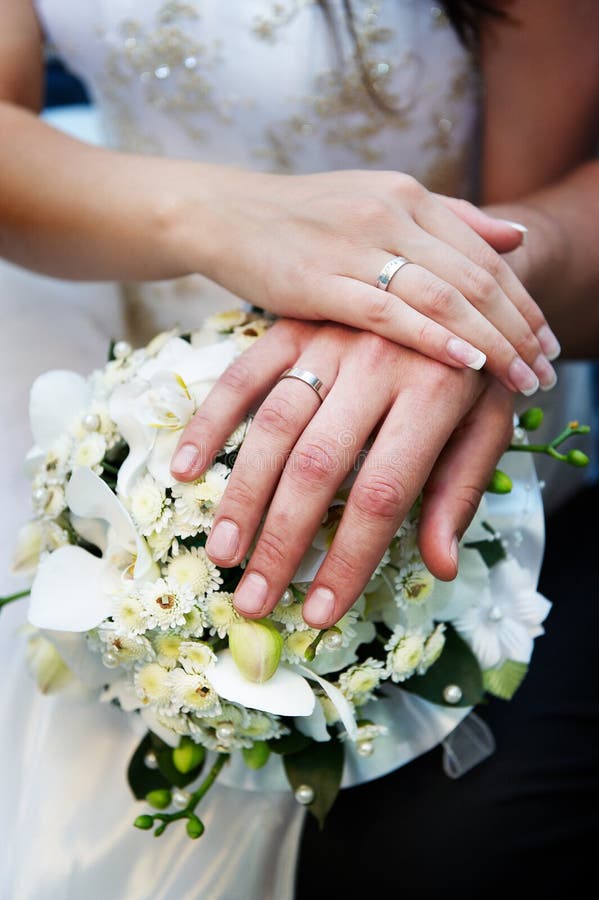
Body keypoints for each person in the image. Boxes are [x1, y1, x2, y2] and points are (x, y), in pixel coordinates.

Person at [0, 1, 597, 898]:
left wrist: (462, 291)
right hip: (129, 332)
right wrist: (219, 217)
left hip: (455, 376)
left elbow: (553, 192)